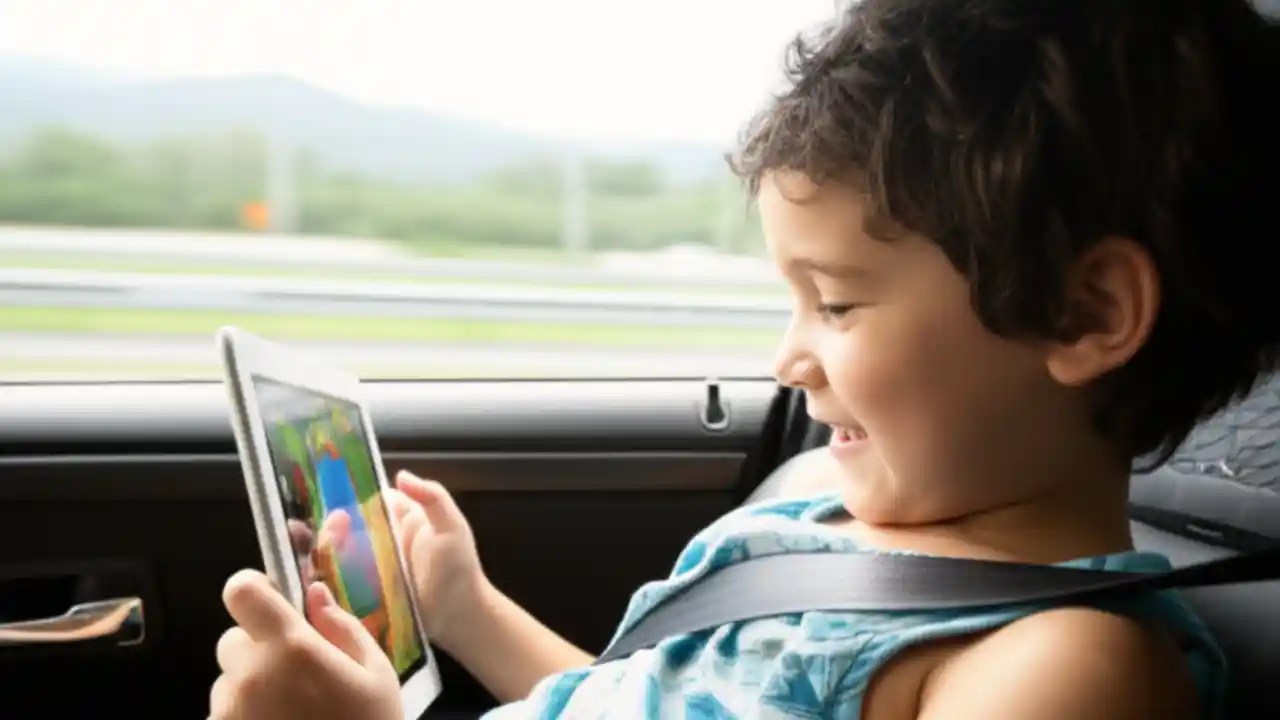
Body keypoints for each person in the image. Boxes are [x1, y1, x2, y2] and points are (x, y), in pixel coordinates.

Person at [207, 0, 1280, 717]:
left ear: (1082, 315)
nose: (787, 362)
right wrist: (464, 612)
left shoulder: (1058, 672)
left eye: (839, 303)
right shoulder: (811, 507)